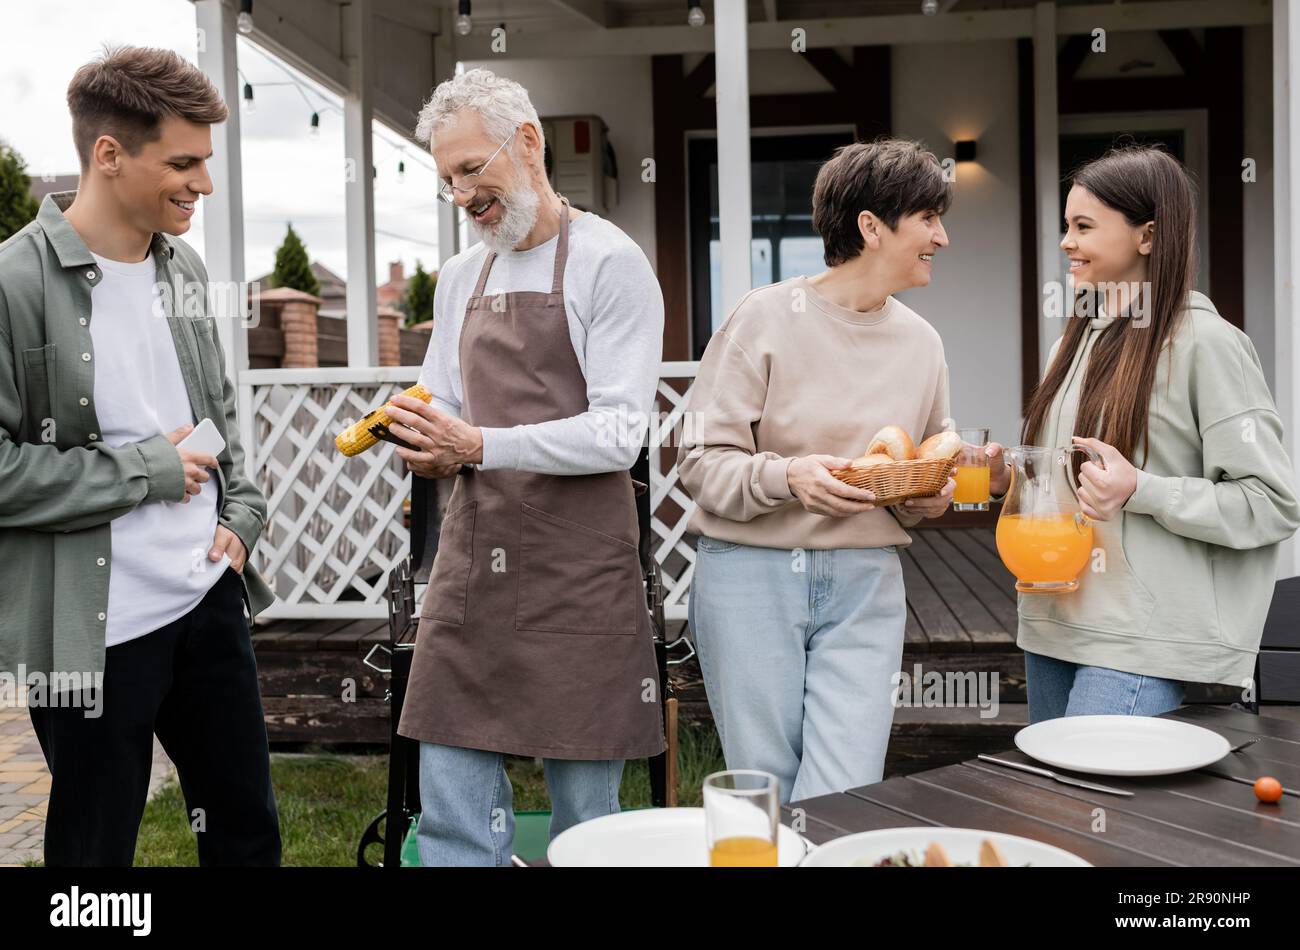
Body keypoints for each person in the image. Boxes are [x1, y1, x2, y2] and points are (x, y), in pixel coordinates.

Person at [0, 46, 279, 865]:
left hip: (205, 599)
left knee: (246, 830)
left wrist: (245, 512)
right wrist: (141, 474)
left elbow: (216, 411)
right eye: (184, 162)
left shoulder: (182, 265)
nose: (204, 184)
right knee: (94, 852)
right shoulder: (13, 285)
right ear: (109, 154)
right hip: (92, 632)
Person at [384, 68, 665, 866]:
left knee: (588, 826)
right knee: (451, 804)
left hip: (580, 573)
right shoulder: (458, 277)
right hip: (472, 564)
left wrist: (479, 446)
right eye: (447, 179)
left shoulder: (609, 263)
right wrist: (406, 423)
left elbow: (619, 433)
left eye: (472, 169)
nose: (461, 194)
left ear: (529, 143)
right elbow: (441, 394)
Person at [677, 139, 956, 805]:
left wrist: (928, 494)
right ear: (871, 226)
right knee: (763, 788)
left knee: (846, 790)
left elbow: (918, 473)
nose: (941, 238)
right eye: (928, 219)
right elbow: (697, 459)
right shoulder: (763, 317)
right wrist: (786, 476)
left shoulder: (923, 342)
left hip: (866, 583)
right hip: (751, 571)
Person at [985, 145, 1300, 722]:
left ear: (1148, 236)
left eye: (1084, 226)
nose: (1066, 243)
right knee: (1062, 805)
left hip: (1138, 640)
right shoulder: (1071, 344)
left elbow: (1272, 503)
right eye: (1065, 226)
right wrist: (1006, 474)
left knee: (1090, 802)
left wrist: (1142, 491)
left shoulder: (1209, 345)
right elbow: (1063, 479)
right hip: (1052, 623)